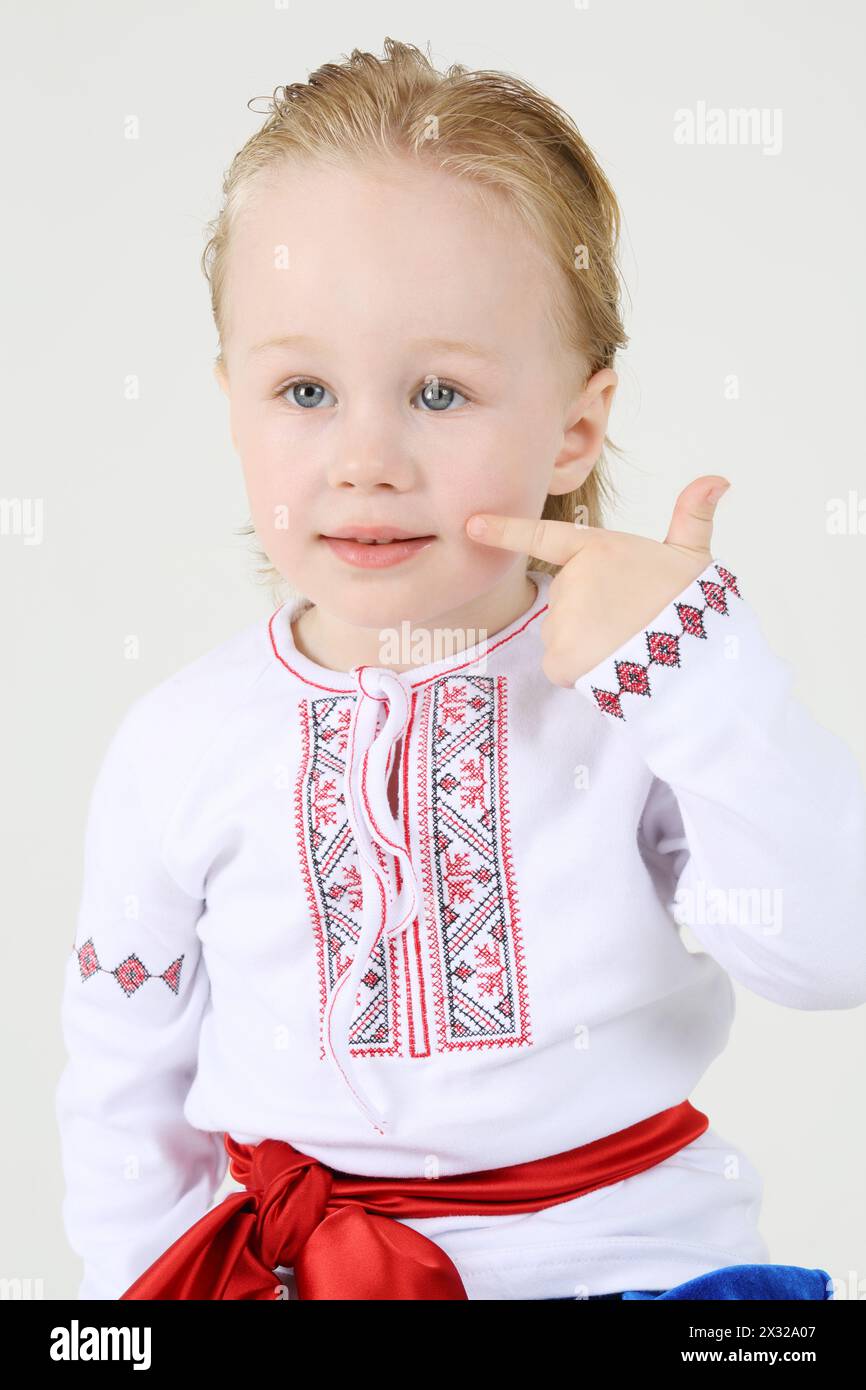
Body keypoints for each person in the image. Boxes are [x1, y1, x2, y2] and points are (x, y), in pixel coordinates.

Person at [55, 38, 865, 1301]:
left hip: (634, 1275)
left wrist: (703, 677)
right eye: (305, 387)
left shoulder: (640, 706)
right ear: (231, 405)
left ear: (575, 427)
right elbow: (122, 1084)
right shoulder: (178, 743)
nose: (365, 455)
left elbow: (832, 949)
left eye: (439, 391)